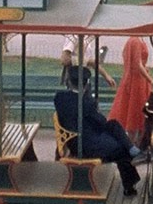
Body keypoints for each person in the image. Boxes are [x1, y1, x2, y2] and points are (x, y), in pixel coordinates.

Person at [54, 66, 142, 198]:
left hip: (74, 139)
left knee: (114, 125)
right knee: (120, 148)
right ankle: (130, 180)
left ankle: (131, 149)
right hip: (85, 145)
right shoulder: (86, 103)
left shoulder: (59, 98)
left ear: (69, 82)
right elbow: (101, 122)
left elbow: (87, 116)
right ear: (86, 84)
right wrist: (91, 102)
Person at [108, 36, 153, 147]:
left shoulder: (135, 40)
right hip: (137, 83)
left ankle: (136, 144)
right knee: (136, 113)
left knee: (137, 114)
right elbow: (138, 65)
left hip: (138, 81)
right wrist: (151, 79)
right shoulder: (136, 41)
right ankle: (133, 145)